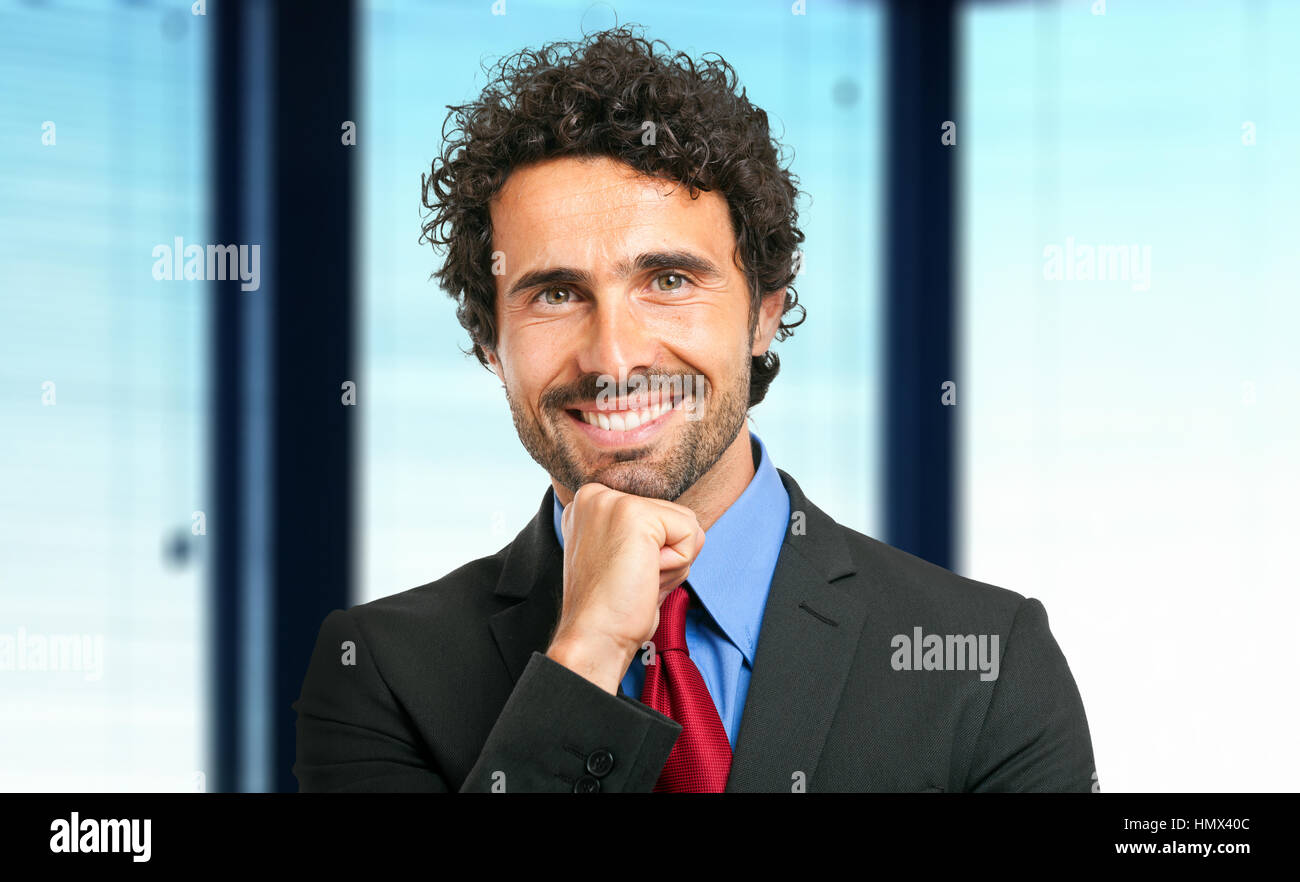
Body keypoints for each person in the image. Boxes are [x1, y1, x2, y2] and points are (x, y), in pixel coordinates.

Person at [293, 26, 1096, 793]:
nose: (615, 357)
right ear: (490, 344)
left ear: (765, 311)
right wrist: (587, 654)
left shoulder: (985, 660)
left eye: (669, 281)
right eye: (557, 293)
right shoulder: (378, 672)